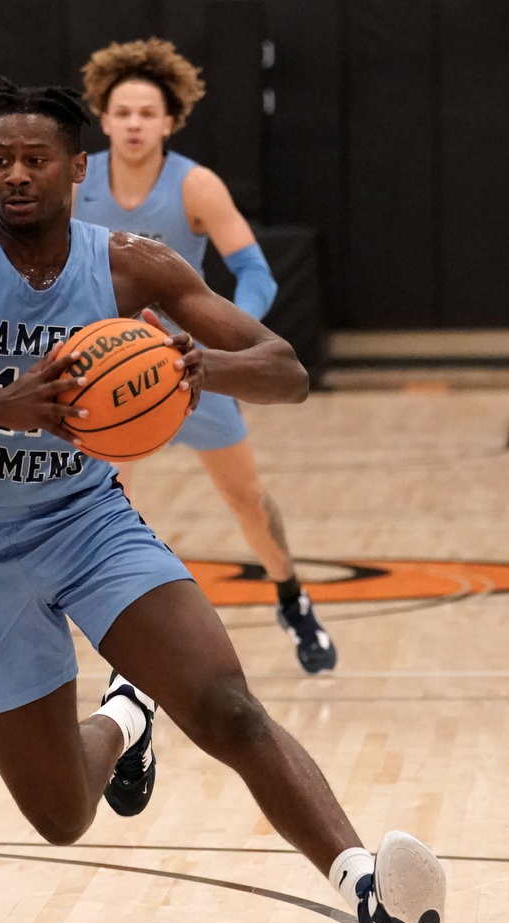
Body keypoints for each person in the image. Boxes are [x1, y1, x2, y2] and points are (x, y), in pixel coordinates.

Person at [0, 79, 446, 923]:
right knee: (60, 817)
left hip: (89, 522)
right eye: (0, 158)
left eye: (35, 159)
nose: (13, 175)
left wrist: (206, 369)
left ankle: (370, 901)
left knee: (229, 706)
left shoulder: (129, 263)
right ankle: (125, 714)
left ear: (79, 169)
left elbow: (287, 371)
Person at [74, 38, 335, 673]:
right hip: (113, 372)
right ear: (104, 119)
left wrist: (220, 347)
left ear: (169, 120)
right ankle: (127, 654)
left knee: (246, 500)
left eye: (147, 113)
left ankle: (290, 594)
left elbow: (257, 276)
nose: (135, 123)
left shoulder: (195, 184)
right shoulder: (77, 183)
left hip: (191, 366)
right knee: (115, 512)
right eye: (123, 112)